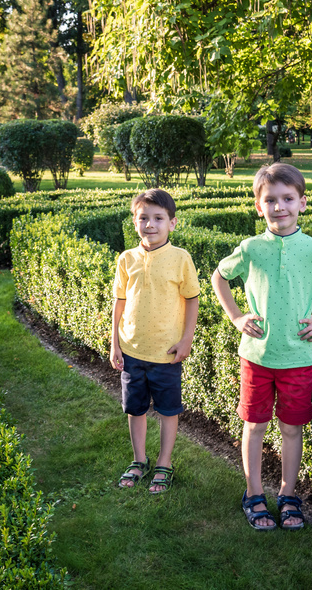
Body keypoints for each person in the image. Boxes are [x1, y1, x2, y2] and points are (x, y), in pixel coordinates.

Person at [211, 163, 312, 530]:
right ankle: (254, 493)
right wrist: (237, 317)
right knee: (255, 426)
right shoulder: (250, 248)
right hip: (256, 357)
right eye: (270, 200)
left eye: (288, 199)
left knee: (292, 428)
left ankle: (289, 495)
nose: (279, 207)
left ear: (302, 203)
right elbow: (219, 277)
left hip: (297, 358)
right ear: (258, 206)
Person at [111, 188, 200, 494]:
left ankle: (164, 462)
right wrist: (114, 343)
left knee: (167, 410)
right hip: (132, 350)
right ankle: (139, 460)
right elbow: (119, 303)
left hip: (167, 352)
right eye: (143, 218)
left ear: (172, 223)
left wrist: (186, 339)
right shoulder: (126, 259)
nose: (150, 224)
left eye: (158, 218)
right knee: (135, 409)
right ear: (134, 222)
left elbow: (192, 299)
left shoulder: (180, 259)